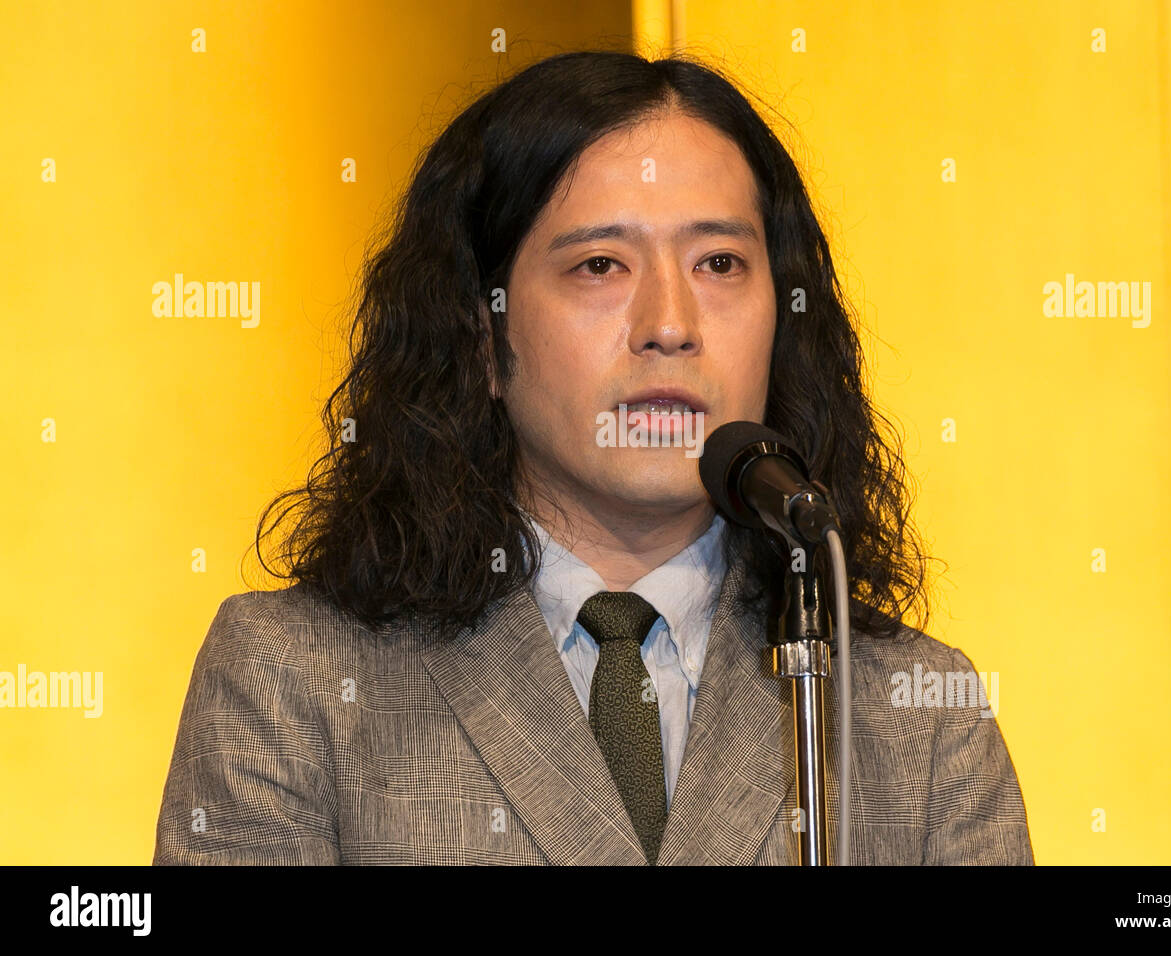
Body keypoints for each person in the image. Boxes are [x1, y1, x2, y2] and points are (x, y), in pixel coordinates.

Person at [152, 50, 1033, 865]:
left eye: (720, 262)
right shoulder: (295, 680)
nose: (670, 325)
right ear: (482, 335)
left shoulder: (914, 717)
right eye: (602, 265)